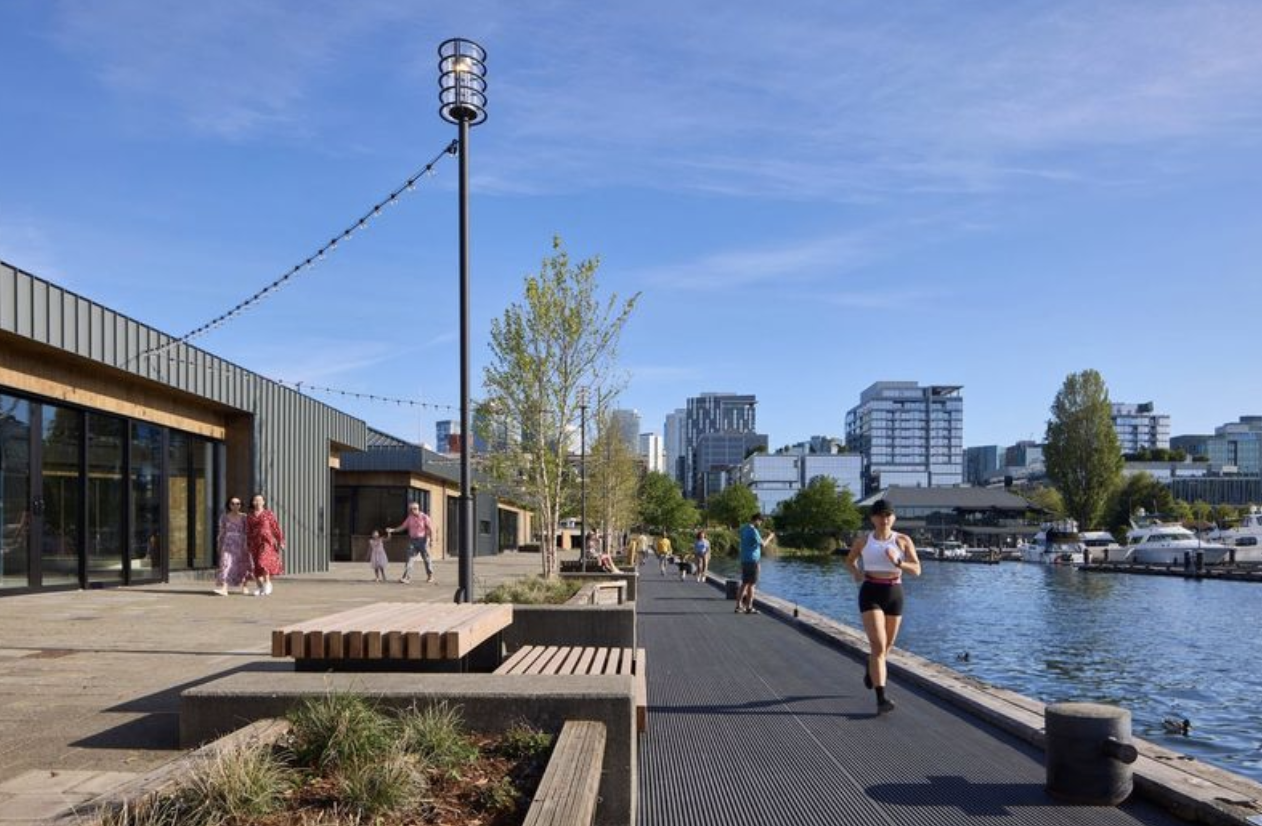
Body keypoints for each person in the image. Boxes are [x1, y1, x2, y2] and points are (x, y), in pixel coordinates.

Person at [843, 498, 921, 714]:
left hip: (894, 592)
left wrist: (899, 563)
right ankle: (881, 698)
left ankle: (872, 669)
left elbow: (917, 569)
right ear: (873, 519)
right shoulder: (863, 541)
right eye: (880, 515)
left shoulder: (903, 540)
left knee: (886, 648)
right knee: (878, 646)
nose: (884, 519)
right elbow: (849, 561)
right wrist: (857, 572)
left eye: (888, 515)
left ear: (893, 518)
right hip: (871, 592)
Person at [246, 493, 285, 596]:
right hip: (255, 542)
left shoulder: (269, 514)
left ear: (263, 502)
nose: (258, 502)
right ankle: (260, 587)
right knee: (256, 566)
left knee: (263, 561)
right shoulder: (249, 516)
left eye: (260, 500)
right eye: (255, 500)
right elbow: (248, 531)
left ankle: (267, 584)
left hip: (267, 542)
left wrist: (280, 541)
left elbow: (276, 528)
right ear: (253, 503)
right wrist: (247, 544)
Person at [212, 496, 252, 596]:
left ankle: (245, 586)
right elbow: (222, 531)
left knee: (242, 565)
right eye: (232, 503)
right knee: (226, 564)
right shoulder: (224, 517)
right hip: (228, 543)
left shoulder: (244, 517)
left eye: (238, 503)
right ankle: (224, 588)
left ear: (240, 505)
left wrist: (248, 544)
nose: (235, 506)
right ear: (229, 505)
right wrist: (219, 543)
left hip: (241, 543)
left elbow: (248, 531)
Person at [387, 501, 435, 584]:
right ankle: (407, 578)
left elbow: (431, 529)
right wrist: (393, 530)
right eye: (411, 509)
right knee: (410, 559)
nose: (413, 510)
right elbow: (403, 527)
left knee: (426, 559)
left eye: (415, 508)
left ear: (418, 508)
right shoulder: (410, 518)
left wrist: (431, 540)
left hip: (423, 540)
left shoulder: (424, 517)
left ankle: (430, 576)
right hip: (413, 541)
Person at [736, 513, 774, 614]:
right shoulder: (753, 530)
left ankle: (738, 606)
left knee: (744, 583)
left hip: (744, 559)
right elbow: (763, 544)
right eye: (760, 522)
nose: (760, 524)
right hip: (753, 561)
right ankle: (749, 607)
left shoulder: (744, 528)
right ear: (757, 520)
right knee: (752, 585)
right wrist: (770, 537)